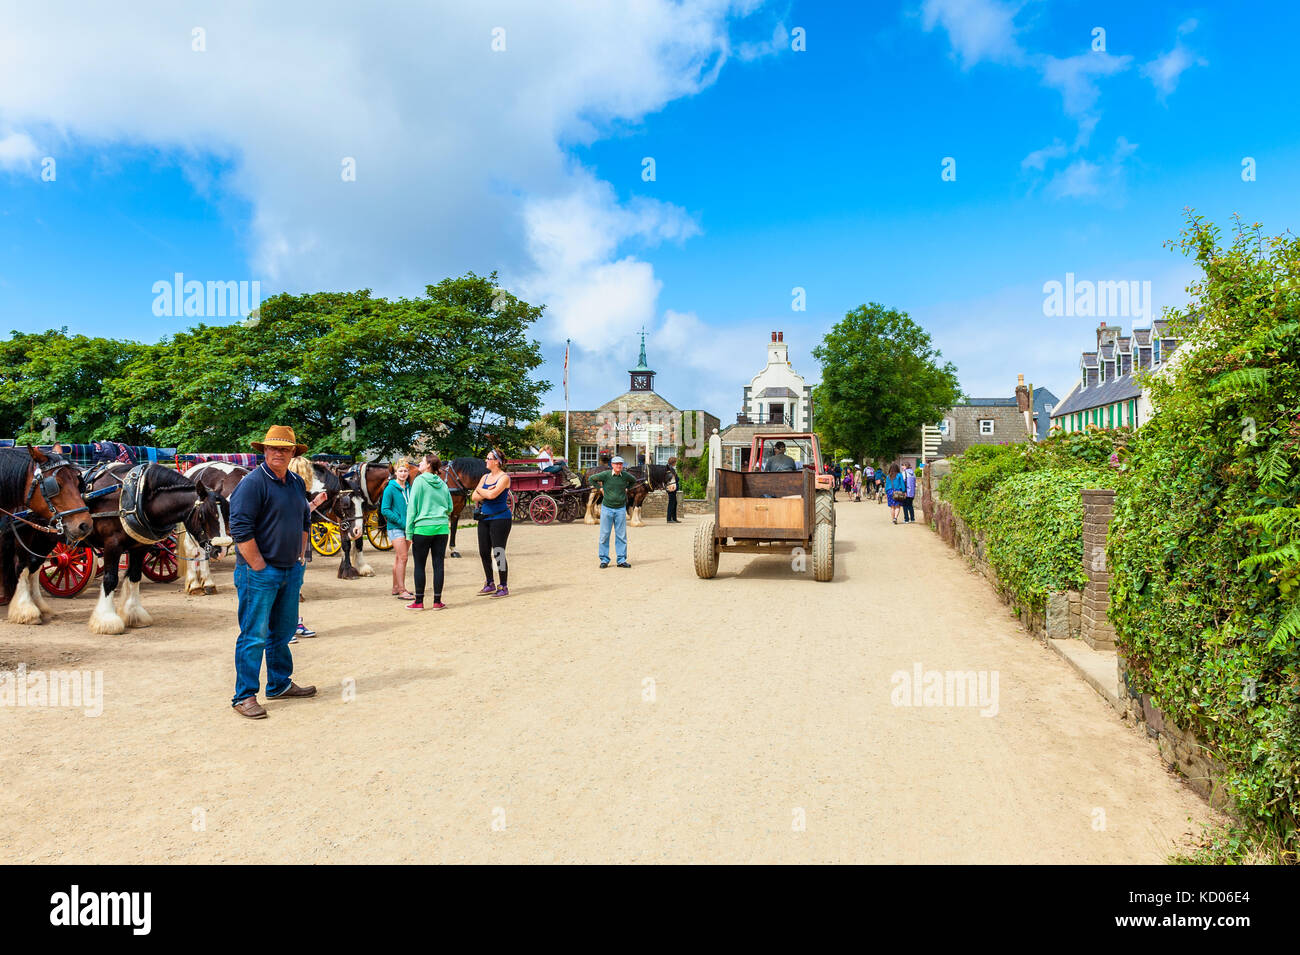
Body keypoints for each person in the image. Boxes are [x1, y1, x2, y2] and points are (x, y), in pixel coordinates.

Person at [228, 425, 316, 719]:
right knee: (254, 635)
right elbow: (240, 528)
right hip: (259, 572)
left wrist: (300, 557)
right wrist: (259, 566)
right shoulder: (253, 483)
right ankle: (244, 696)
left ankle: (279, 684)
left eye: (284, 448)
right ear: (264, 451)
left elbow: (305, 518)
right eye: (273, 448)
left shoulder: (294, 482)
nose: (278, 452)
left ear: (293, 453)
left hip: (290, 570)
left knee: (284, 631)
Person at [405, 453, 453, 610]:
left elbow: (412, 508)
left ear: (428, 465)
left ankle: (419, 602)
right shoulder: (442, 483)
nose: (419, 463)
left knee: (419, 565)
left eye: (422, 461)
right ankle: (437, 601)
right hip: (442, 528)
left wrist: (409, 532)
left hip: (423, 528)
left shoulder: (419, 481)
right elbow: (450, 507)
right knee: (438, 564)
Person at [471, 448, 513, 596]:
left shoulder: (504, 478)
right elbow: (474, 497)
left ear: (496, 461)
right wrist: (485, 492)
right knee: (483, 552)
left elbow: (492, 494)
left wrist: (482, 491)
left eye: (488, 458)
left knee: (498, 552)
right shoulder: (485, 477)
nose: (486, 461)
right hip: (484, 518)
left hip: (500, 518)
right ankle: (489, 582)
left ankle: (503, 585)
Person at [591, 455, 637, 568]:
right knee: (604, 535)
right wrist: (600, 488)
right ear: (612, 465)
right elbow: (591, 479)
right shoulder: (606, 475)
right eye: (616, 464)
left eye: (620, 464)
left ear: (622, 466)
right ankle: (604, 560)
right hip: (607, 509)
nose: (618, 466)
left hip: (621, 509)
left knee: (621, 536)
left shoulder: (625, 476)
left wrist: (627, 488)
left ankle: (621, 560)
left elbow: (633, 481)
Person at [381, 457, 413, 599]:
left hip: (408, 528)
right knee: (403, 557)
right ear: (395, 472)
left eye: (405, 471)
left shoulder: (410, 488)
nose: (403, 473)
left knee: (398, 558)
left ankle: (395, 587)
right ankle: (402, 590)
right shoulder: (390, 488)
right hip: (396, 527)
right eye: (400, 471)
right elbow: (385, 509)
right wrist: (400, 521)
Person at [665, 455, 680, 523]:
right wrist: (677, 478)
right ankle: (669, 519)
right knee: (672, 503)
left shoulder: (669, 468)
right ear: (673, 462)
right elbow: (675, 478)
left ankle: (674, 518)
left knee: (674, 503)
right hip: (671, 488)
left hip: (672, 488)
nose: (676, 463)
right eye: (675, 462)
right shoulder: (670, 469)